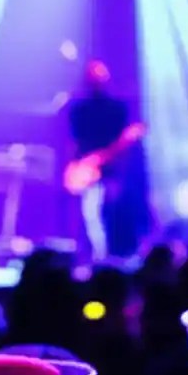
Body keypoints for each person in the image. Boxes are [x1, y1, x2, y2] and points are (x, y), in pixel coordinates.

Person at [68, 59, 149, 260]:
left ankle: (117, 256)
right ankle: (97, 256)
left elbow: (121, 143)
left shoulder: (116, 108)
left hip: (113, 168)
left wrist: (119, 147)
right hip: (87, 169)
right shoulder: (79, 109)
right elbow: (74, 140)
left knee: (112, 212)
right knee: (91, 216)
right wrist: (77, 165)